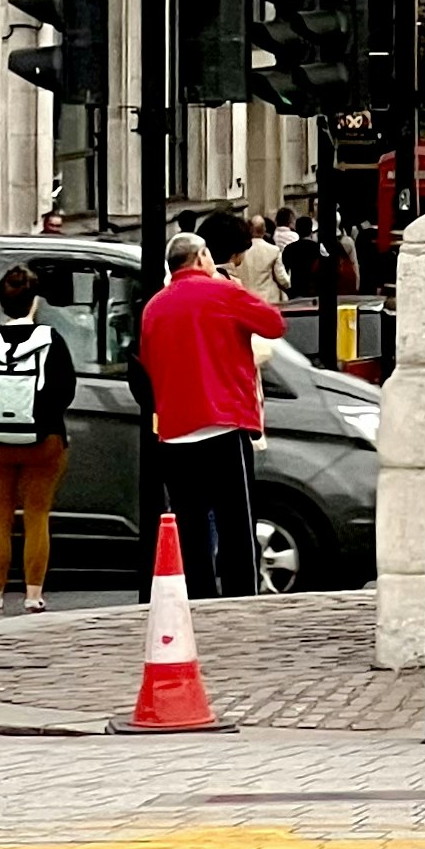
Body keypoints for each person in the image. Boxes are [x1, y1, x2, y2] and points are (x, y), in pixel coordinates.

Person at [133, 233, 279, 599]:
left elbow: (148, 361)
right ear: (200, 257)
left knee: (191, 527)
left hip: (176, 430)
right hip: (223, 423)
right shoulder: (223, 293)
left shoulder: (154, 307)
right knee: (236, 524)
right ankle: (240, 598)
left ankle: (199, 599)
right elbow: (273, 324)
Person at [0, 263, 78, 617]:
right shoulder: (50, 340)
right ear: (34, 302)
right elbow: (65, 390)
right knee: (37, 515)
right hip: (44, 441)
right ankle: (33, 595)